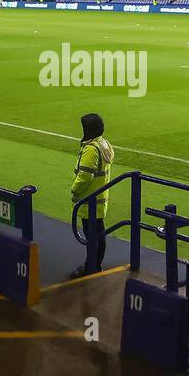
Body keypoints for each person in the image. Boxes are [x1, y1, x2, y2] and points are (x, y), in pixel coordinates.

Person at [69, 113, 115, 278]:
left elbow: (85, 176)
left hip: (89, 200)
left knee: (91, 237)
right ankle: (95, 264)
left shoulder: (91, 149)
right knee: (98, 234)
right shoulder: (104, 144)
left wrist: (74, 189)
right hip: (100, 200)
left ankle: (91, 268)